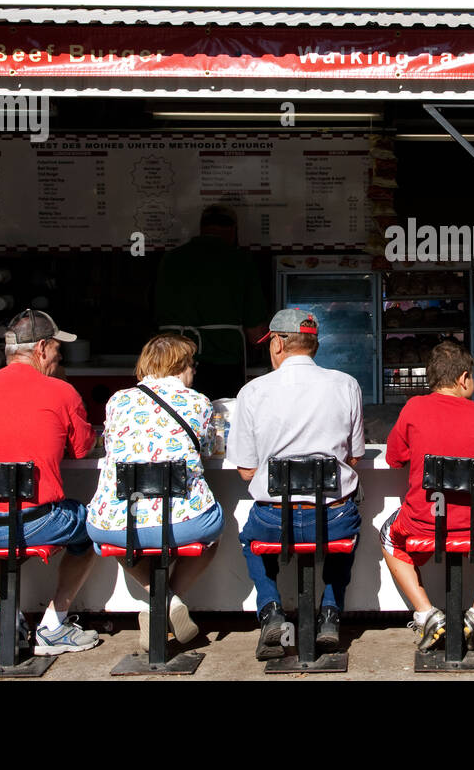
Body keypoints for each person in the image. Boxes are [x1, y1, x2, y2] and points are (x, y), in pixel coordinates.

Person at [0, 309, 100, 655]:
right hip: (33, 524)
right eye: (58, 350)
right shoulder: (60, 391)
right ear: (43, 349)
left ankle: (12, 618)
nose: (60, 357)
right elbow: (83, 449)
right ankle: (54, 623)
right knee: (96, 526)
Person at [227, 309, 364, 660]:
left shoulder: (252, 391)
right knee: (348, 532)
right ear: (313, 345)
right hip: (332, 518)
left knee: (249, 538)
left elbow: (245, 470)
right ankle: (330, 613)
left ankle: (271, 610)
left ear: (277, 343)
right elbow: (354, 458)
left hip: (274, 521)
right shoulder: (347, 384)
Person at [86, 333, 225, 651]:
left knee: (113, 537)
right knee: (214, 533)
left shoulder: (118, 400)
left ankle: (156, 601)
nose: (195, 371)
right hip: (184, 523)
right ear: (182, 366)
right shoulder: (199, 402)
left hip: (118, 526)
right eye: (192, 365)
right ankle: (167, 600)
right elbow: (206, 448)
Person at [381, 341, 474, 651]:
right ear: (464, 378)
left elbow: (394, 459)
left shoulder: (413, 409)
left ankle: (426, 614)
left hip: (423, 523)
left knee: (386, 533)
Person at [155, 204, 268, 398]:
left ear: (201, 228)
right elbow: (255, 333)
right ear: (233, 230)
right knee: (221, 419)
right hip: (223, 359)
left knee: (174, 417)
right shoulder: (240, 260)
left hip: (172, 356)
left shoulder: (171, 258)